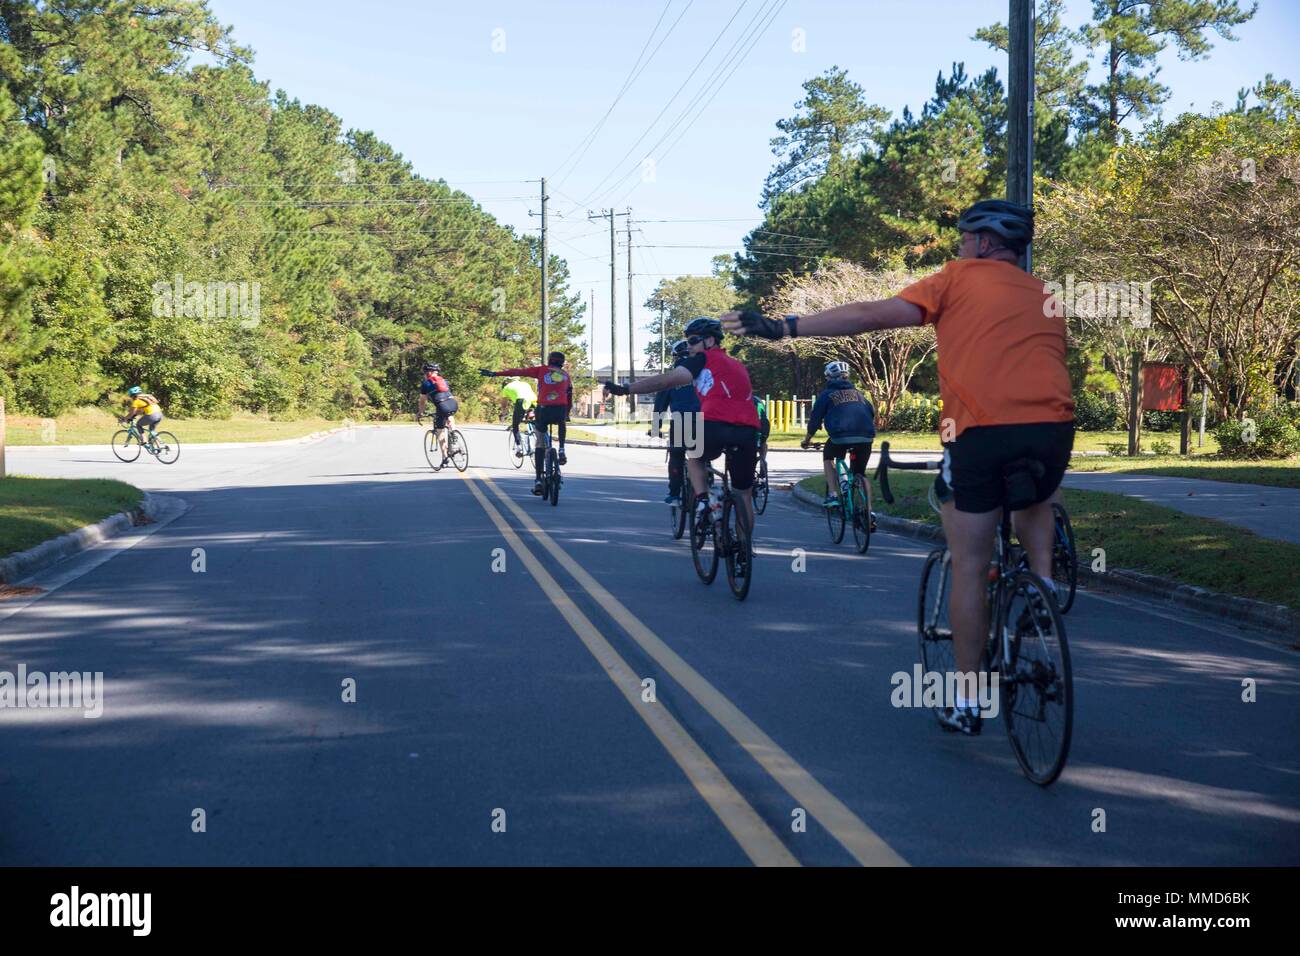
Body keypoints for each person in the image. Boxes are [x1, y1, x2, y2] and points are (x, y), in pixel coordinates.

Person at [725, 199, 1074, 735]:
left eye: (962, 239)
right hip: (1053, 430)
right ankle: (1043, 586)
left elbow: (868, 317)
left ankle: (967, 697)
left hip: (980, 431)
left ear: (982, 242)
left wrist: (784, 326)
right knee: (1035, 496)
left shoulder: (956, 279)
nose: (959, 248)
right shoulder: (1048, 296)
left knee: (970, 562)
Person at [604, 317, 759, 546]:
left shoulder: (702, 360)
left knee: (694, 456)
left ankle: (705, 501)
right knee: (743, 493)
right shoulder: (737, 365)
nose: (689, 347)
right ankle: (744, 550)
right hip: (747, 429)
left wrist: (626, 389)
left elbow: (668, 380)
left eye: (693, 341)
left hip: (714, 424)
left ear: (709, 341)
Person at [482, 352, 573, 495]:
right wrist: (567, 413)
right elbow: (570, 396)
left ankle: (538, 480)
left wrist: (495, 373)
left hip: (543, 410)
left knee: (540, 444)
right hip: (560, 409)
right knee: (562, 423)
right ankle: (561, 450)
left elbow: (518, 371)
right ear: (562, 363)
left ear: (549, 361)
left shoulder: (542, 370)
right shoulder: (566, 375)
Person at [801, 360, 877, 529]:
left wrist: (807, 440)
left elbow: (814, 421)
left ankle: (834, 494)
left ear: (828, 377)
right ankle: (869, 511)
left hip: (840, 437)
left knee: (828, 457)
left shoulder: (826, 395)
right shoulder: (859, 394)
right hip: (865, 437)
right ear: (847, 376)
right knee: (860, 473)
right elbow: (871, 412)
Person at [651, 339, 701, 505]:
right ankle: (705, 491)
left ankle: (674, 493)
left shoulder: (672, 378)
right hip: (705, 420)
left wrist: (656, 428)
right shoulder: (704, 374)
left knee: (677, 455)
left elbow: (660, 406)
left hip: (681, 421)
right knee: (701, 456)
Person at [417, 363, 459, 465]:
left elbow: (422, 401)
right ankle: (453, 431)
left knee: (440, 431)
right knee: (449, 415)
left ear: (428, 373)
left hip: (441, 406)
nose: (424, 375)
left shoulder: (426, 384)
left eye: (425, 373)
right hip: (453, 403)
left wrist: (420, 413)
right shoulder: (444, 381)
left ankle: (445, 457)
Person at [501, 377, 537, 457]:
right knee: (532, 421)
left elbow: (504, 405)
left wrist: (504, 414)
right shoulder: (525, 384)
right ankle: (538, 439)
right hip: (534, 402)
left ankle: (519, 448)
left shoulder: (506, 388)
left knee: (515, 425)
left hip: (521, 402)